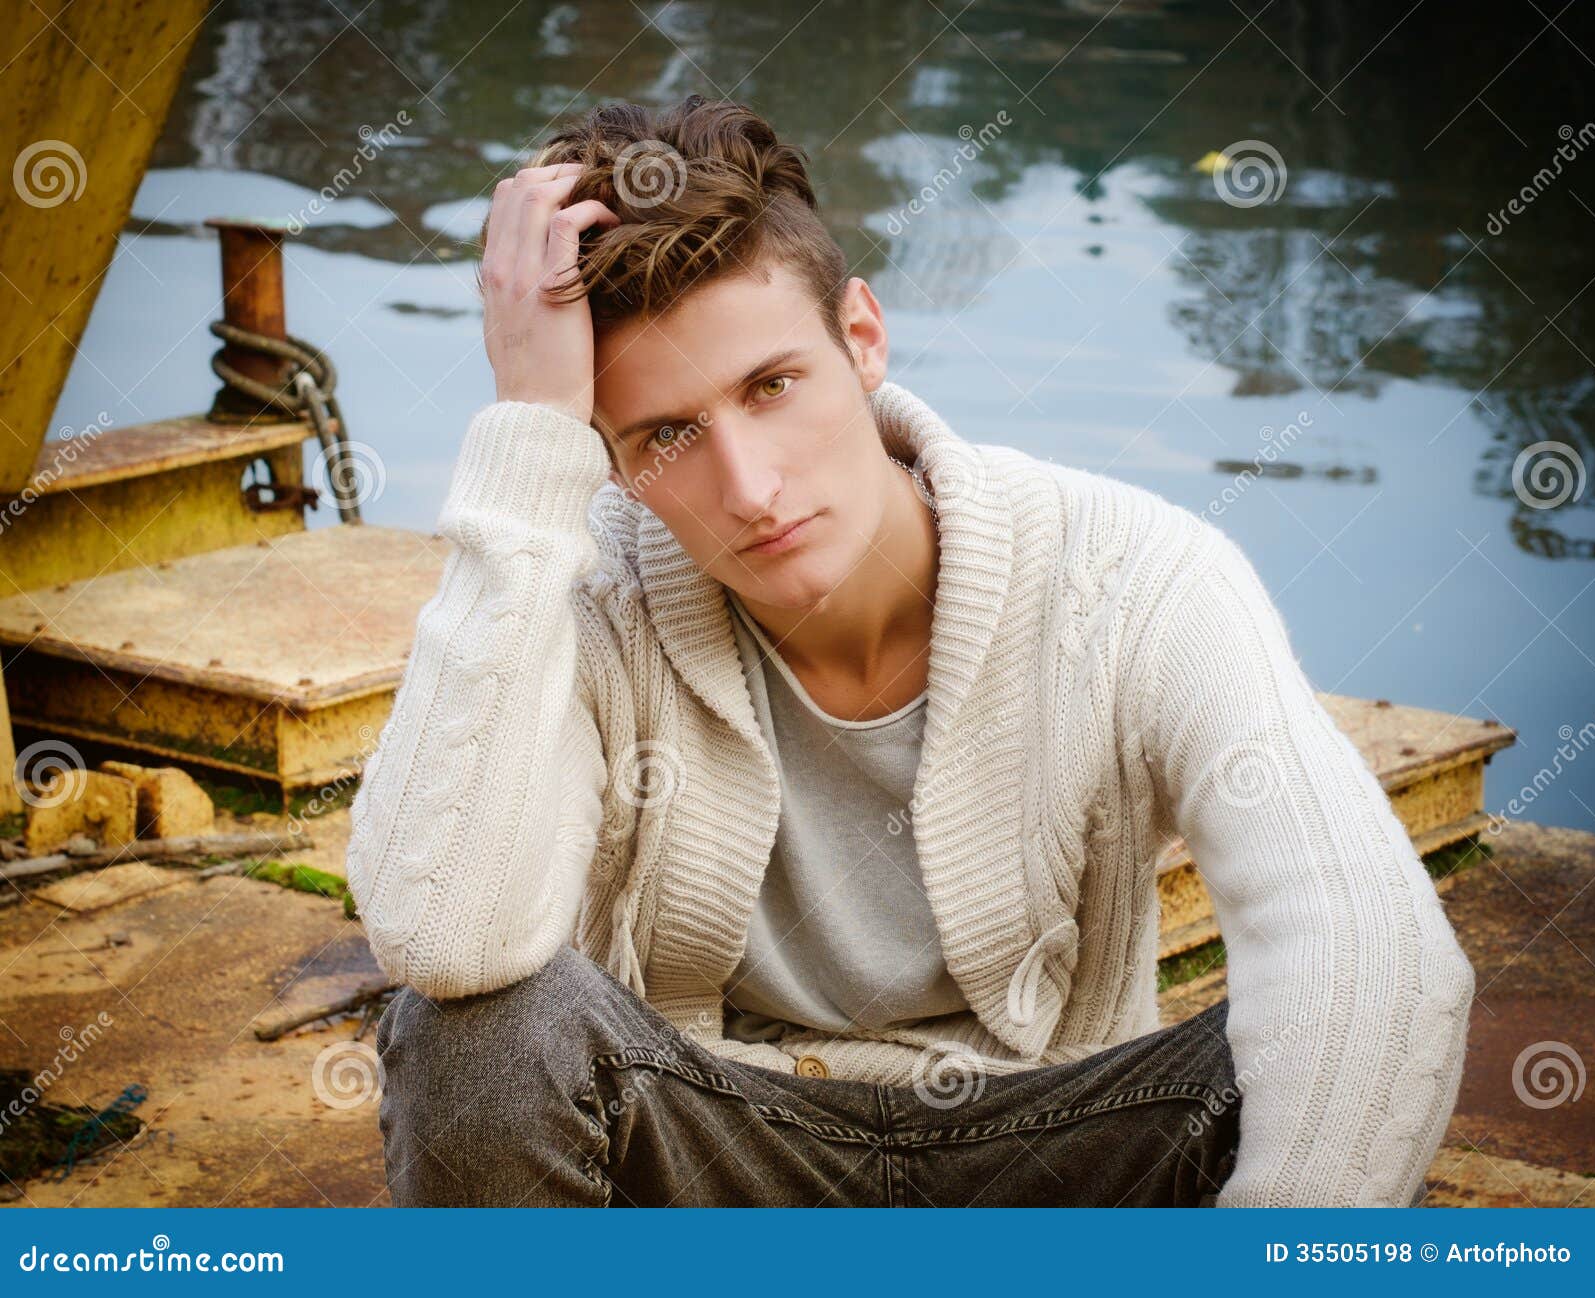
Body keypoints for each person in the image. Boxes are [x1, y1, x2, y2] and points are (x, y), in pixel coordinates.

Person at [346, 94, 1472, 1208]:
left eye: (772, 387)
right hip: (714, 1158)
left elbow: (1372, 951)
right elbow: (445, 936)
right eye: (667, 436)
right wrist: (530, 437)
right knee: (480, 1032)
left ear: (863, 338)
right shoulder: (585, 587)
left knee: (1329, 1036)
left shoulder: (1134, 575)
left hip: (1054, 1152)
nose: (749, 488)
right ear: (610, 456)